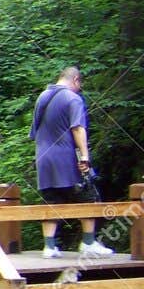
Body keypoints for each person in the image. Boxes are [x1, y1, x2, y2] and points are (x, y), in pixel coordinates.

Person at [30, 65, 112, 257]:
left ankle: (49, 247)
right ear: (75, 80)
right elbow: (77, 128)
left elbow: (34, 132)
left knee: (51, 199)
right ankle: (88, 242)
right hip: (66, 157)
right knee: (88, 195)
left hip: (43, 157)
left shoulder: (42, 96)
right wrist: (85, 156)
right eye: (79, 84)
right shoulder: (73, 98)